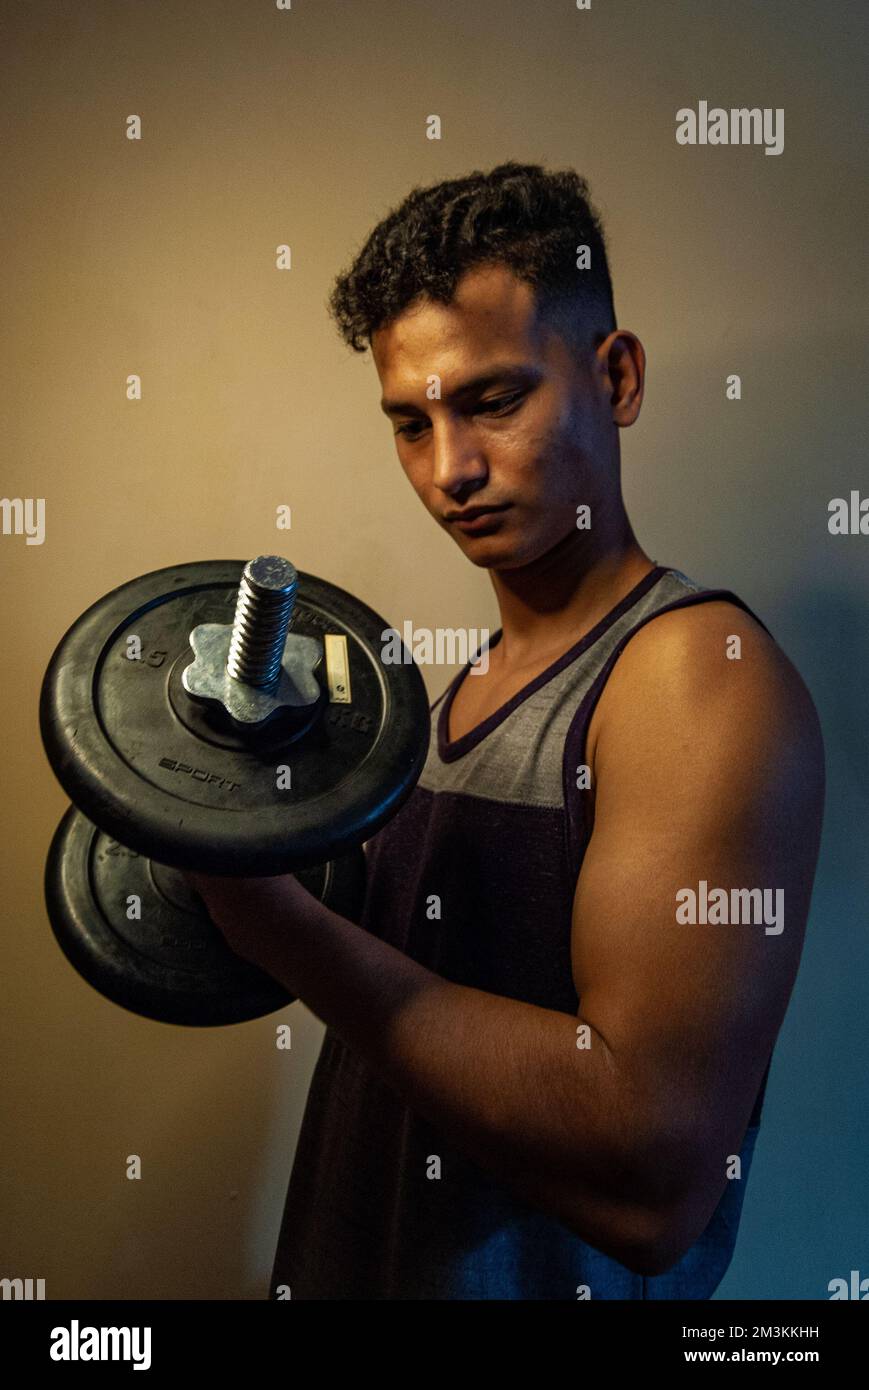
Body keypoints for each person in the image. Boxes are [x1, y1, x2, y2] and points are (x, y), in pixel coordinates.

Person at [190, 162, 825, 1299]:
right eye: (408, 422)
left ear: (614, 375)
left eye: (491, 400)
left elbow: (651, 1173)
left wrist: (277, 929)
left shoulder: (691, 680)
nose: (449, 471)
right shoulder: (456, 694)